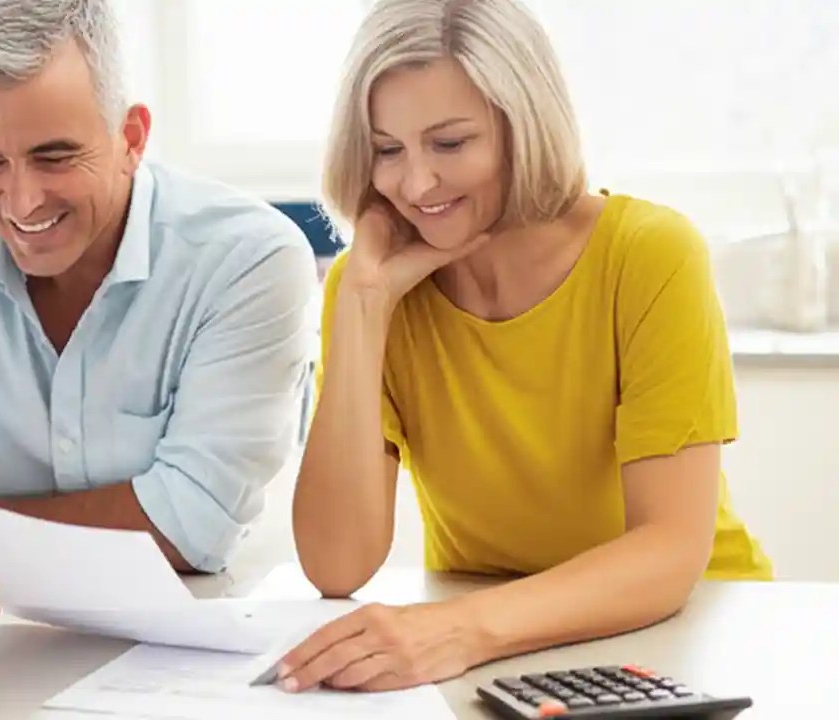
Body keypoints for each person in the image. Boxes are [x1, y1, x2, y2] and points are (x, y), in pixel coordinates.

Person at [279, 0, 773, 694]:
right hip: (499, 653)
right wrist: (361, 307)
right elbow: (336, 564)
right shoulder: (374, 292)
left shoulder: (650, 255)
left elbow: (667, 553)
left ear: (525, 125)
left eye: (450, 144)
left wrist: (457, 630)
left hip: (686, 636)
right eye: (388, 149)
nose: (415, 184)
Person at [0, 0, 317, 633]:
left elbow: (190, 521)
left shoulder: (248, 257)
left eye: (54, 157)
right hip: (18, 645)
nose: (21, 201)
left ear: (131, 139)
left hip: (206, 639)